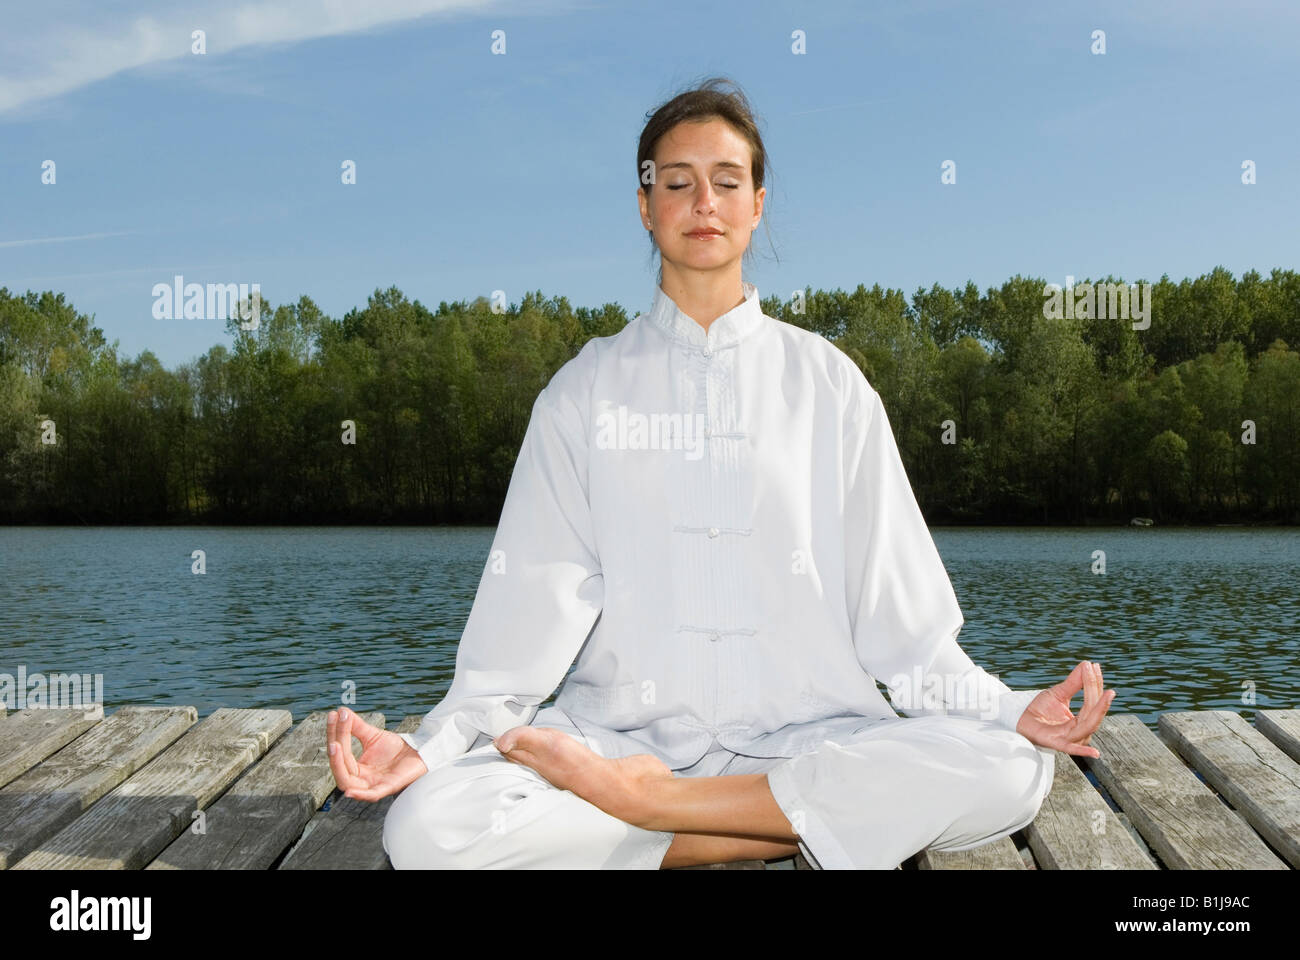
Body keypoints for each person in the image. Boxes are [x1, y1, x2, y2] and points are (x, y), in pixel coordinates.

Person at [328, 77, 1116, 869]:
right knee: (431, 826)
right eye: (676, 182)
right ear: (645, 206)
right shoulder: (583, 393)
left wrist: (1009, 708)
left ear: (757, 205)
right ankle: (771, 830)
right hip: (618, 740)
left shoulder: (830, 384)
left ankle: (658, 815)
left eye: (727, 182)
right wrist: (431, 746)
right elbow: (518, 629)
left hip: (809, 743)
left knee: (1009, 766)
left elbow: (907, 637)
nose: (703, 199)